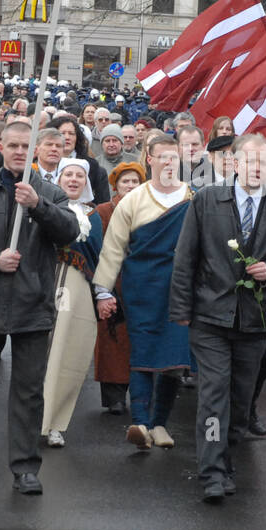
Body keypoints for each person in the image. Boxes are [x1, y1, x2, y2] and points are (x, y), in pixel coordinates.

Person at [170, 133, 266, 502]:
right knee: (214, 393)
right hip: (211, 316)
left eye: (263, 163)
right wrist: (181, 310)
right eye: (249, 162)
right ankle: (212, 470)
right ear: (235, 164)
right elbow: (185, 258)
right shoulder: (208, 200)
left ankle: (226, 457)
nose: (256, 169)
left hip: (254, 320)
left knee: (240, 398)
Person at [0, 122, 80, 493]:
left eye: (27, 145)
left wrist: (39, 207)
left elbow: (69, 233)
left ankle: (24, 466)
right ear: (1, 146)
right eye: (14, 145)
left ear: (36, 149)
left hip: (32, 303)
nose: (20, 151)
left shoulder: (49, 192)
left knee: (27, 390)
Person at [94, 138, 194, 451]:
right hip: (141, 287)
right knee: (142, 352)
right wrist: (102, 290)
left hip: (180, 289)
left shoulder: (194, 197)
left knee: (174, 358)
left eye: (173, 157)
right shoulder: (134, 199)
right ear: (148, 159)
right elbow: (114, 247)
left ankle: (160, 422)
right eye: (162, 157)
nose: (168, 163)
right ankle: (139, 421)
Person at [39, 157, 103, 447]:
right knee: (37, 352)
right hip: (43, 281)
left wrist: (102, 293)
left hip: (76, 288)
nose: (74, 180)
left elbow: (99, 256)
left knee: (67, 353)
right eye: (68, 175)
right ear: (58, 180)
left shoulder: (94, 215)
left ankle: (55, 423)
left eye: (79, 176)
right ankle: (31, 419)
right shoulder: (45, 208)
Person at [92, 162, 145, 413]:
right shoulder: (102, 211)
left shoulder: (151, 210)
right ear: (116, 185)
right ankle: (113, 398)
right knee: (112, 340)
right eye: (126, 181)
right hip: (112, 283)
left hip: (142, 284)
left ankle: (141, 396)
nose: (131, 186)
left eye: (135, 181)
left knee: (140, 341)